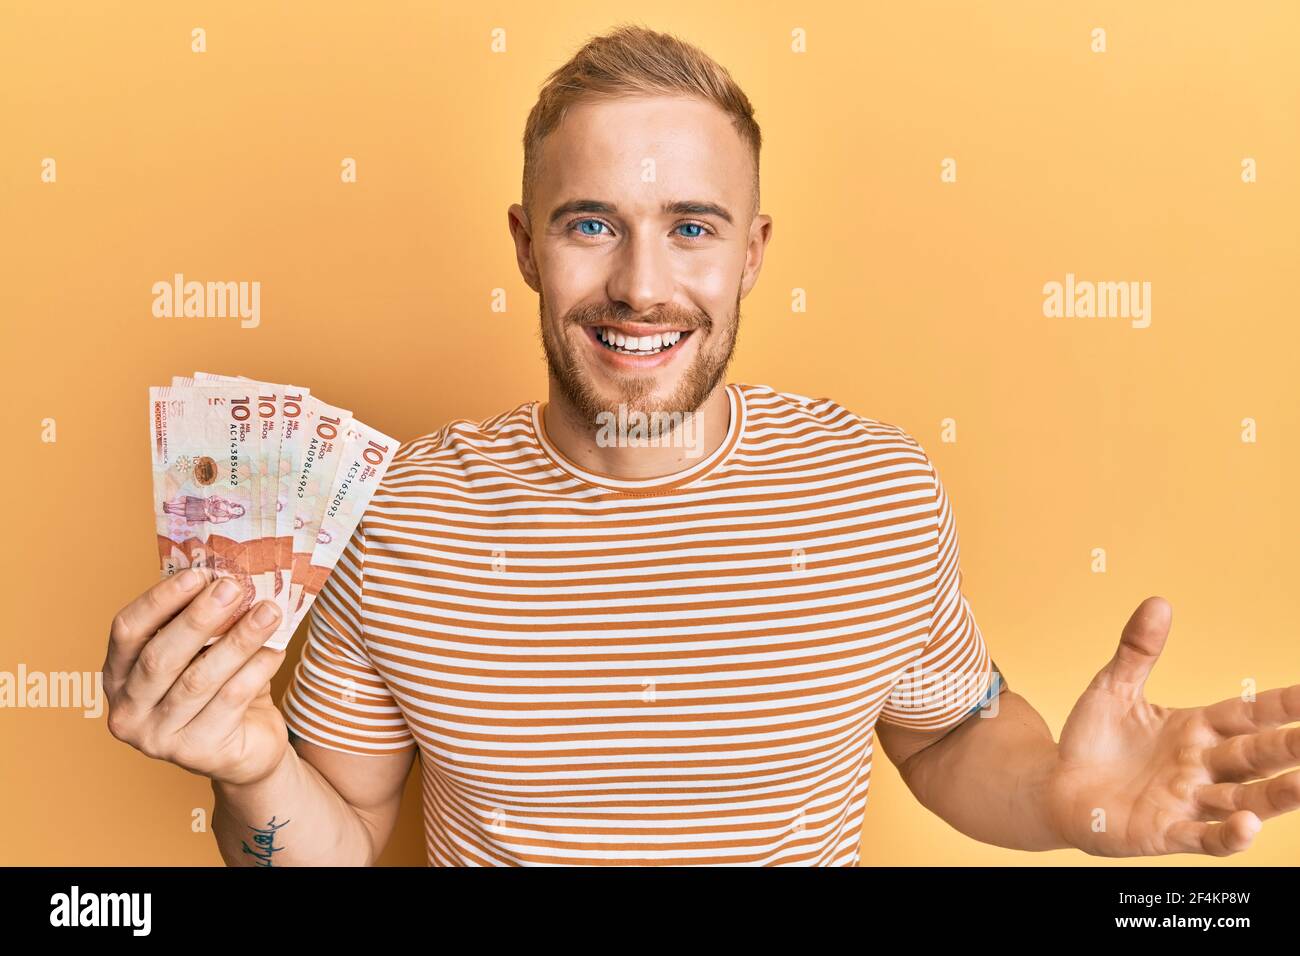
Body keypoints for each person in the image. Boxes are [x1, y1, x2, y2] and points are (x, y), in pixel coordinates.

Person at [104, 24, 1299, 866]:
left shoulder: (875, 491)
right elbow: (342, 842)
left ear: (752, 250)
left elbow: (947, 734)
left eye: (691, 227)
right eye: (590, 225)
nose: (641, 285)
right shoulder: (402, 513)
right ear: (525, 243)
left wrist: (1066, 795)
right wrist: (251, 767)